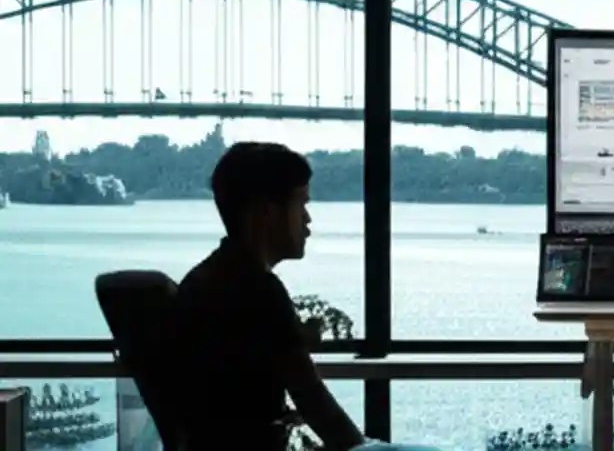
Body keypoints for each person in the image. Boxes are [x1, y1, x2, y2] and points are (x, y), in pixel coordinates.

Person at [173, 142, 432, 451]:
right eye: (300, 204)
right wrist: (363, 447)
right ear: (267, 211)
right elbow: (316, 405)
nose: (308, 219)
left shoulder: (205, 279)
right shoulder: (258, 289)